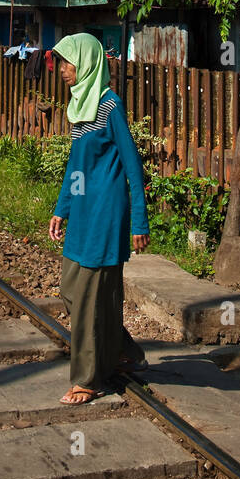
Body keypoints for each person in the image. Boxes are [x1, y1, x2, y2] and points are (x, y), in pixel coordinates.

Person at [48, 33, 150, 405]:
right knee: (72, 291)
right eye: (61, 63)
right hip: (83, 213)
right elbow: (77, 166)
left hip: (107, 215)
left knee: (90, 298)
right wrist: (63, 208)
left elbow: (132, 166)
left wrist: (139, 221)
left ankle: (87, 379)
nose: (62, 70)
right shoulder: (79, 105)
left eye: (67, 63)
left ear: (87, 64)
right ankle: (123, 350)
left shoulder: (110, 106)